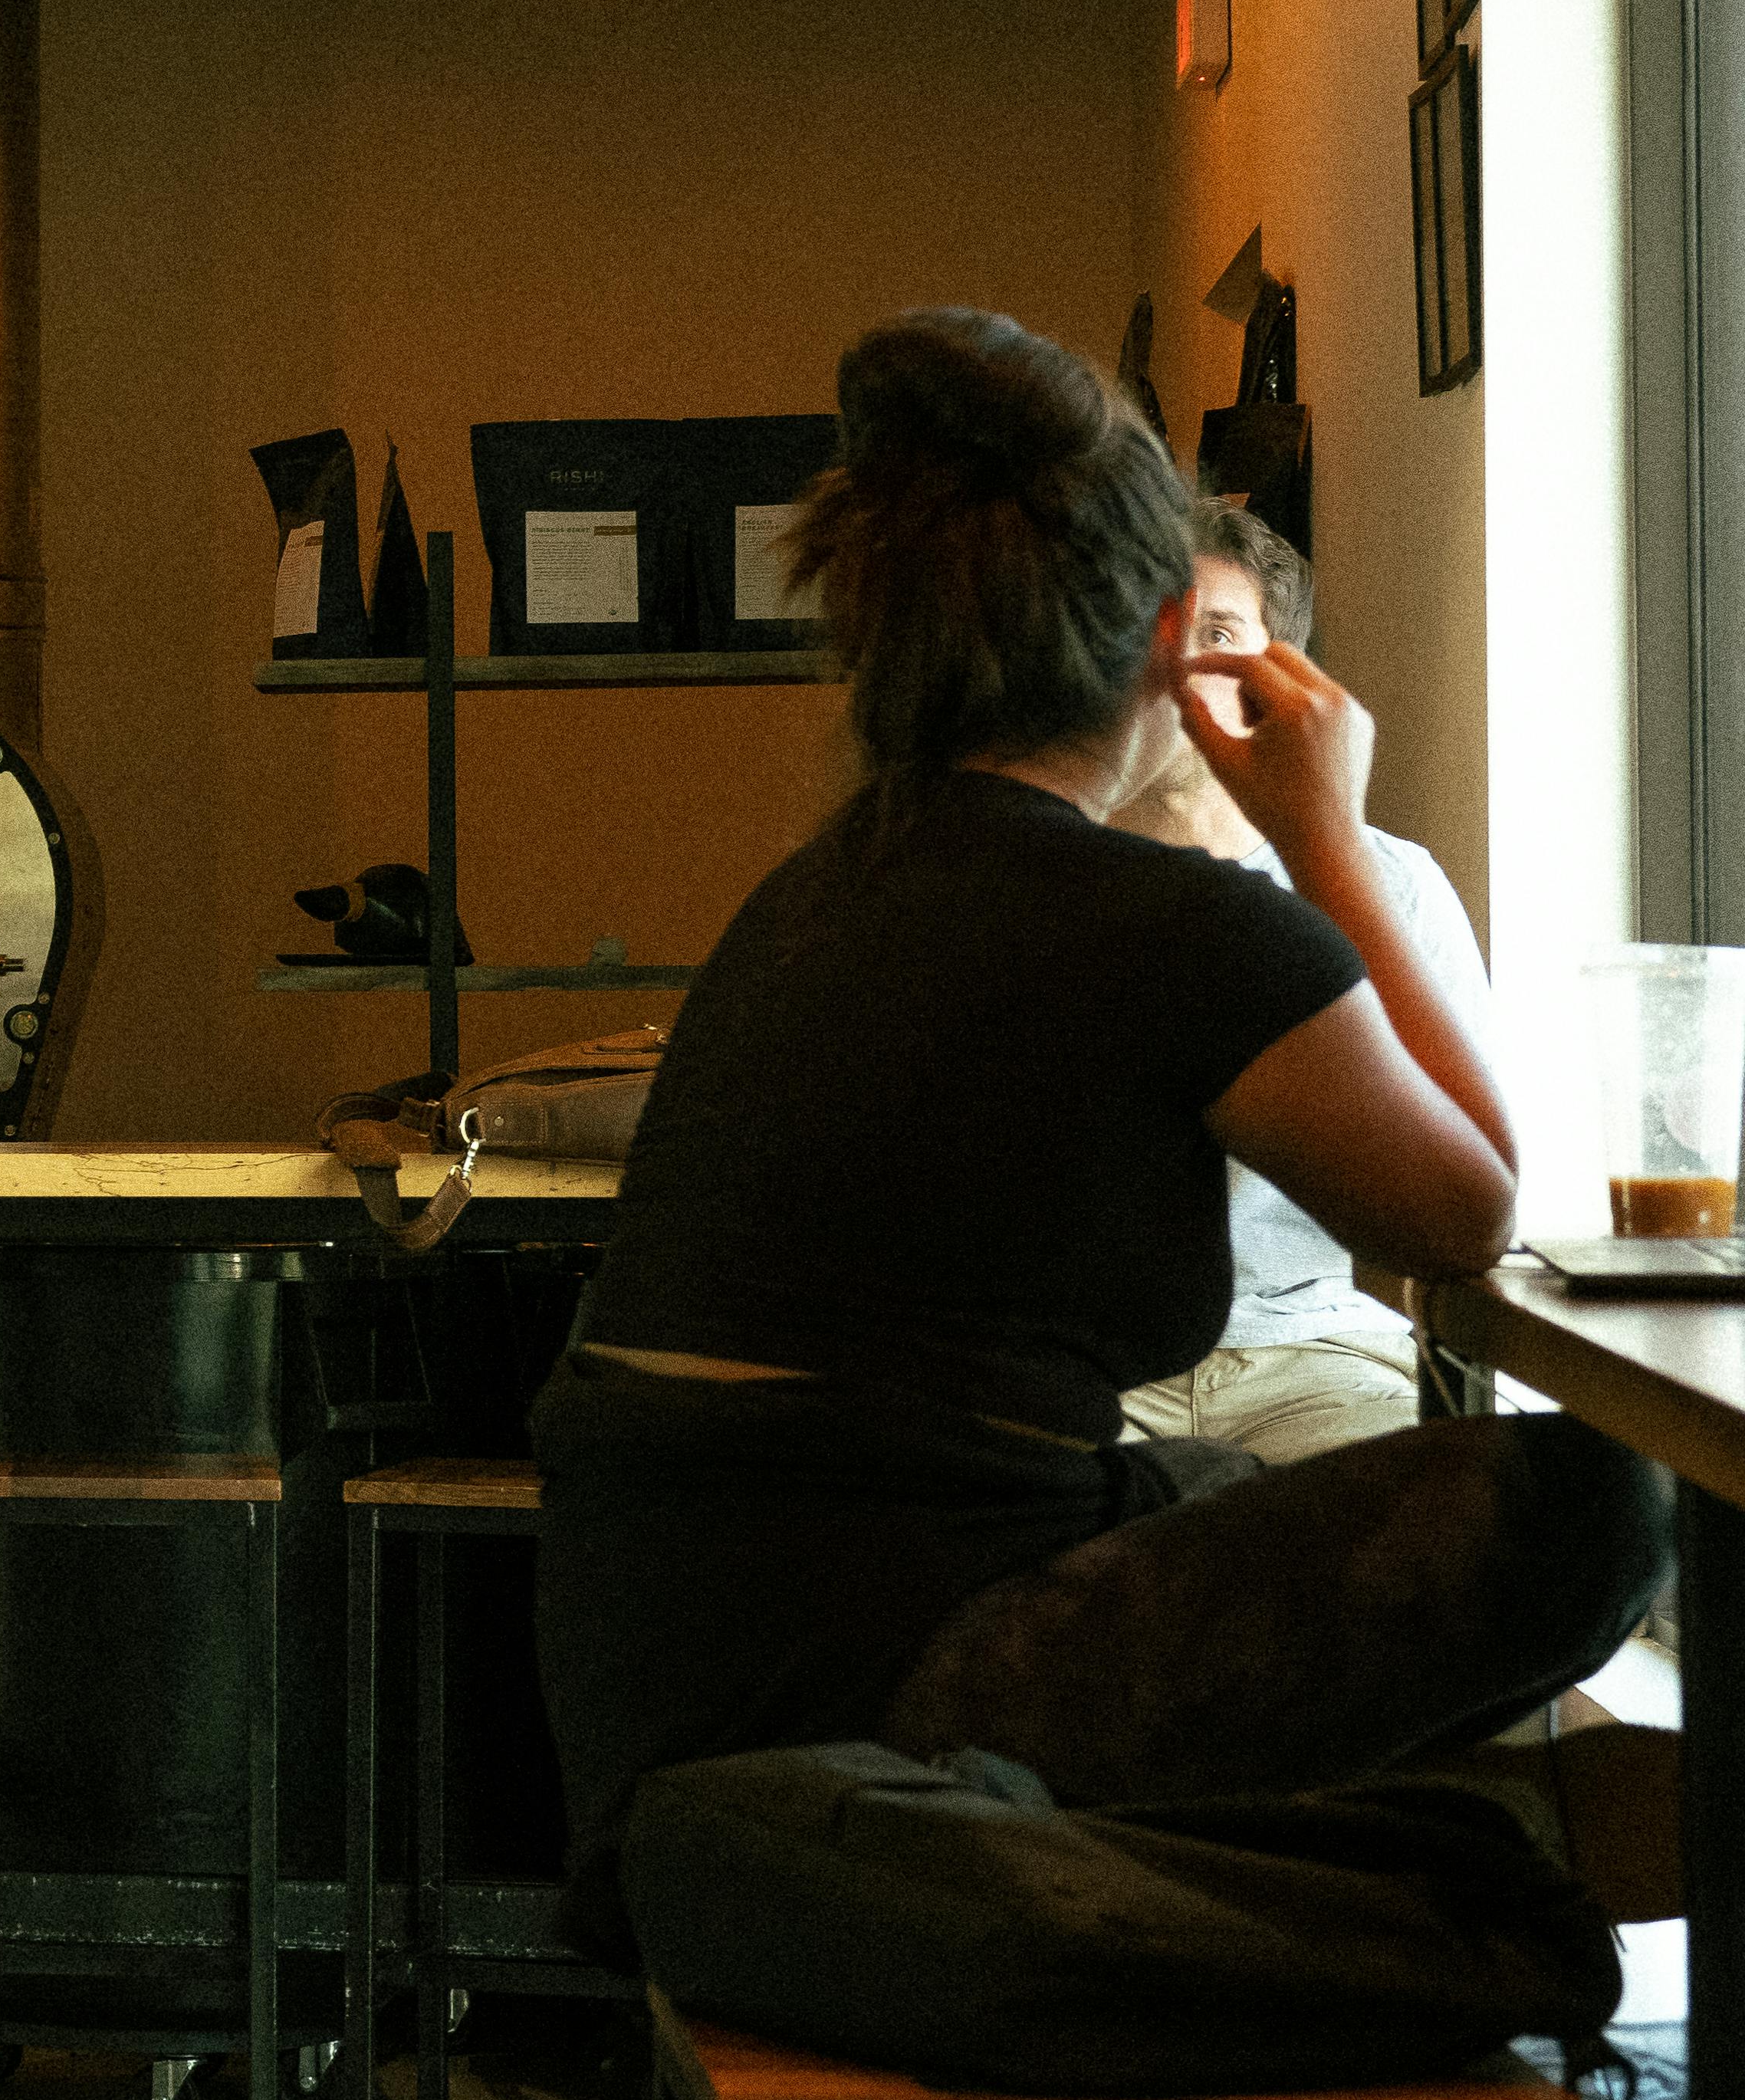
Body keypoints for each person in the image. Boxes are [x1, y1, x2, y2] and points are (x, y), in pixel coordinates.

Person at [534, 309, 1674, 1940]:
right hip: (878, 1710)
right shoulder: (1171, 925)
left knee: (1214, 1483)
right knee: (1593, 1505)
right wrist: (1325, 831)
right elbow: (1464, 1212)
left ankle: (1485, 1847)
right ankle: (1506, 1862)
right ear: (1165, 640)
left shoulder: (816, 892)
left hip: (671, 1683)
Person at [1104, 504, 1477, 1466]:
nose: (1177, 665)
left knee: (1465, 1489)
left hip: (1314, 1350)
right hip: (1096, 1365)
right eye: (1151, 628)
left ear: (1281, 677)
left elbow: (1469, 1164)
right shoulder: (1046, 872)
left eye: (1217, 634)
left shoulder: (1389, 884)